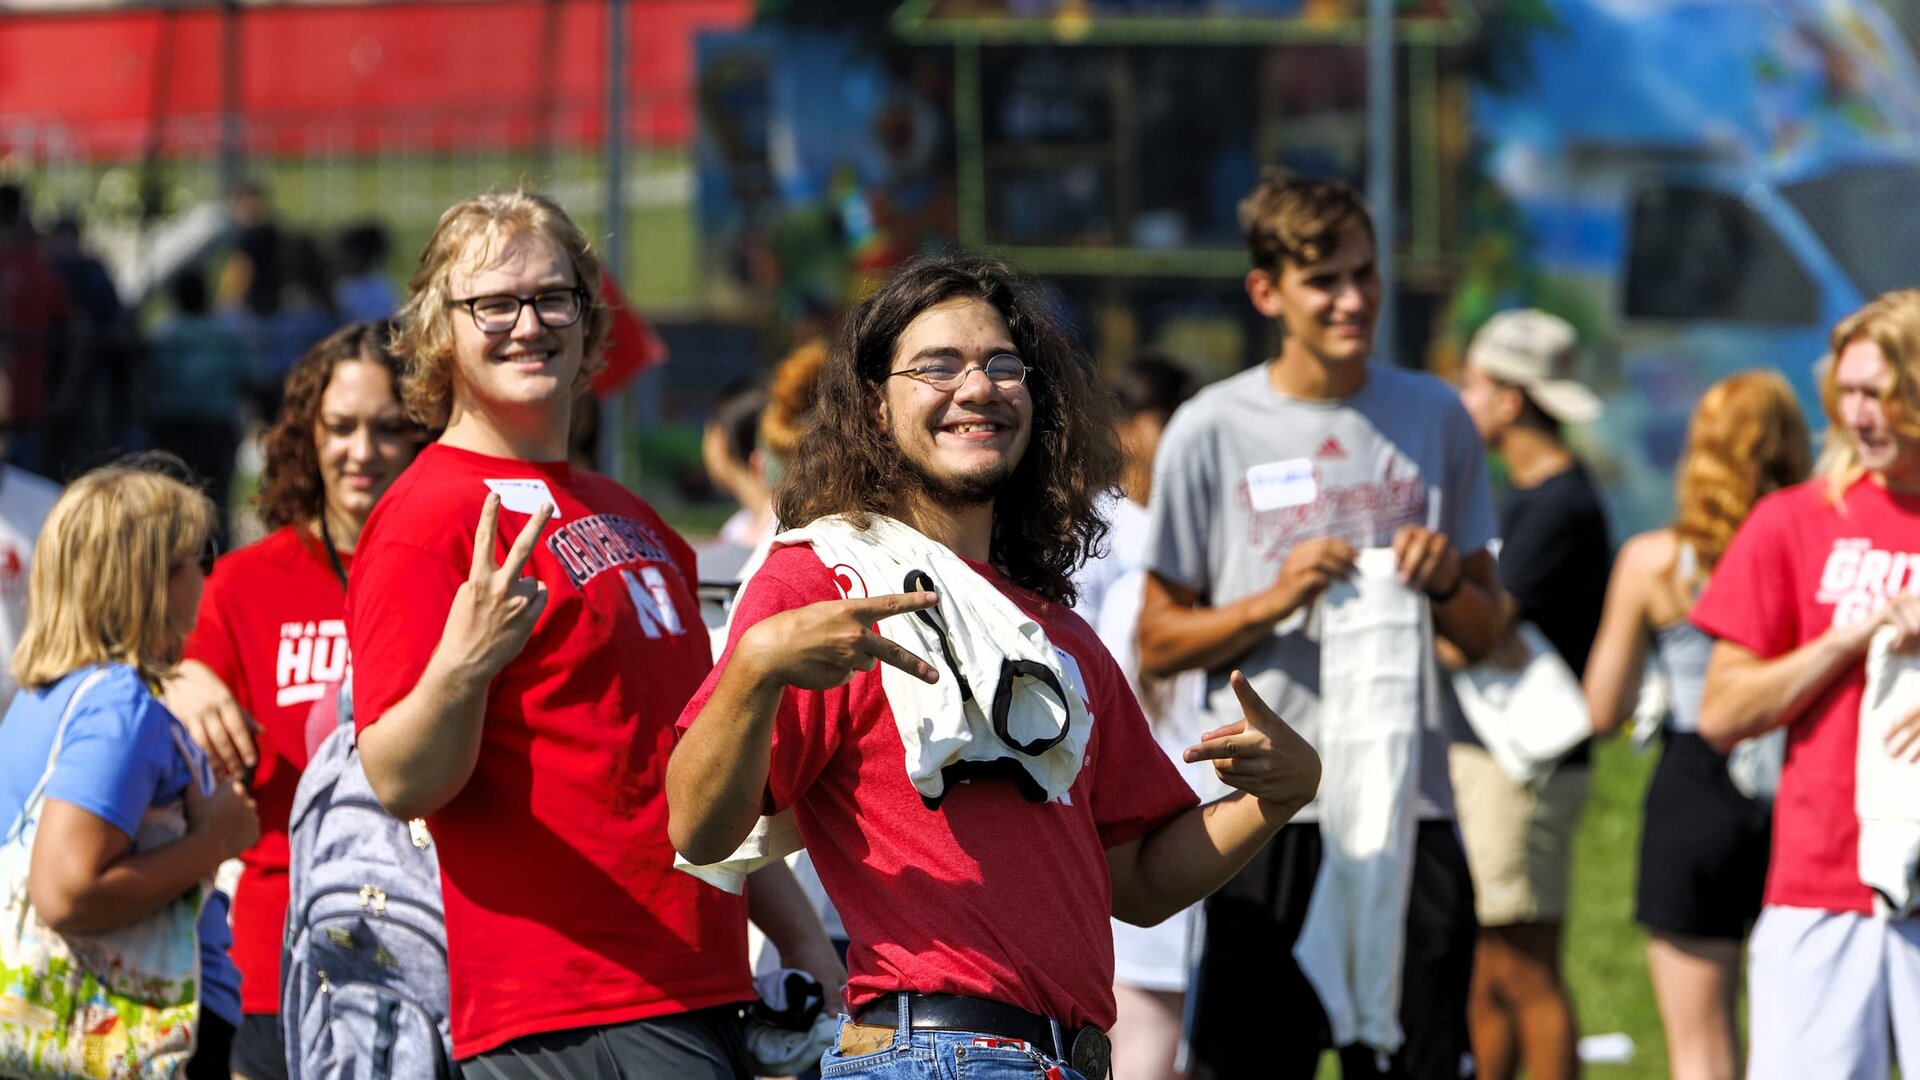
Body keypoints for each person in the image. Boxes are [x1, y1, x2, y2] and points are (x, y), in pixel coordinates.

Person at [669, 252, 1322, 1080]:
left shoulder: (1057, 634)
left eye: (1002, 365)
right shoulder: (826, 579)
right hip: (930, 1053)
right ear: (875, 407)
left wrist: (1273, 800)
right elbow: (697, 828)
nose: (978, 387)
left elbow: (1139, 883)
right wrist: (755, 666)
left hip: (1069, 1059)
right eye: (937, 367)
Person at [345, 189, 837, 1078]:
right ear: (438, 333)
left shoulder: (637, 518)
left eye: (553, 297)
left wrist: (803, 942)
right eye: (493, 303)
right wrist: (462, 667)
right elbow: (400, 779)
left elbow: (698, 766)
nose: (528, 324)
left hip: (706, 991)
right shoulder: (426, 518)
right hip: (567, 1012)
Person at [1141, 170, 1504, 1079]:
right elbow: (1157, 640)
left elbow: (1485, 631)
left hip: (1406, 808)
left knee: (1414, 1058)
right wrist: (1274, 598)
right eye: (1324, 280)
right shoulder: (1210, 427)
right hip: (1266, 816)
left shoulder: (1436, 415)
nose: (1353, 299)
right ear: (1267, 292)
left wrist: (1443, 578)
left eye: (1365, 273)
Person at [162, 321, 427, 1080]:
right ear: (307, 437)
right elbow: (155, 704)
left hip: (431, 939)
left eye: (389, 429)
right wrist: (180, 679)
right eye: (340, 427)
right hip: (278, 943)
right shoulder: (245, 582)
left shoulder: (452, 572)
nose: (362, 451)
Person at [1695, 290, 1920, 1079]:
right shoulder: (1793, 522)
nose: (1862, 416)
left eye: (1885, 394)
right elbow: (1721, 711)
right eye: (1849, 393)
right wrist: (1850, 638)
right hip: (1822, 885)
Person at [1583, 370, 1809, 1080]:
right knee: (1802, 1042)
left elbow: (1602, 707)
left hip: (1694, 787)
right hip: (1798, 780)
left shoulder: (1654, 562)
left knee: (1700, 1052)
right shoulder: (1809, 549)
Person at [0, 462, 259, 1079]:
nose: (208, 574)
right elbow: (66, 891)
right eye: (203, 556)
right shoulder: (120, 702)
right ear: (156, 580)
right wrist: (217, 841)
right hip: (133, 1033)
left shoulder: (41, 697)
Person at [1451, 308, 1612, 1080]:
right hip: (1489, 757)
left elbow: (1474, 635)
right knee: (1488, 969)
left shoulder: (1559, 504)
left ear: (1512, 399)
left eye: (1475, 384)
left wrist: (1437, 603)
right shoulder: (1524, 495)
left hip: (1523, 764)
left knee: (1523, 968)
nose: (1462, 397)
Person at [1071, 353, 1209, 1080]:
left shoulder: (1204, 526)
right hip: (1126, 795)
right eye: (1165, 425)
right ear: (1126, 431)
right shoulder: (1096, 529)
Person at [147, 266, 251, 532]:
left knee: (170, 503)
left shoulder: (163, 334)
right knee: (216, 504)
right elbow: (247, 377)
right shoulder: (223, 336)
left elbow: (147, 380)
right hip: (215, 428)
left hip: (172, 427)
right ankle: (217, 562)